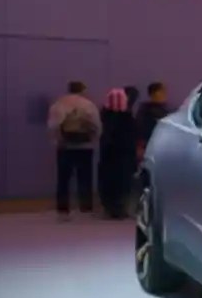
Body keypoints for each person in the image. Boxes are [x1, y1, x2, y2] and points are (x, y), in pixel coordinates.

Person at [47, 81, 102, 219]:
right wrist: (94, 139)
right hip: (85, 146)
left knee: (63, 178)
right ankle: (86, 207)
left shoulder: (59, 104)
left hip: (65, 146)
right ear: (83, 90)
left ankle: (63, 208)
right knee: (85, 177)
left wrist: (57, 140)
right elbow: (97, 125)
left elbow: (52, 126)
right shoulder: (88, 105)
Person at [98, 87, 139, 219]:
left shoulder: (104, 117)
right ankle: (119, 207)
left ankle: (110, 207)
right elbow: (130, 137)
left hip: (108, 154)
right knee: (123, 181)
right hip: (124, 155)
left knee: (109, 181)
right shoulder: (126, 118)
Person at [135, 81, 171, 157]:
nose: (165, 94)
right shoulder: (147, 110)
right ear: (155, 93)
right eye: (162, 91)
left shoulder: (164, 110)